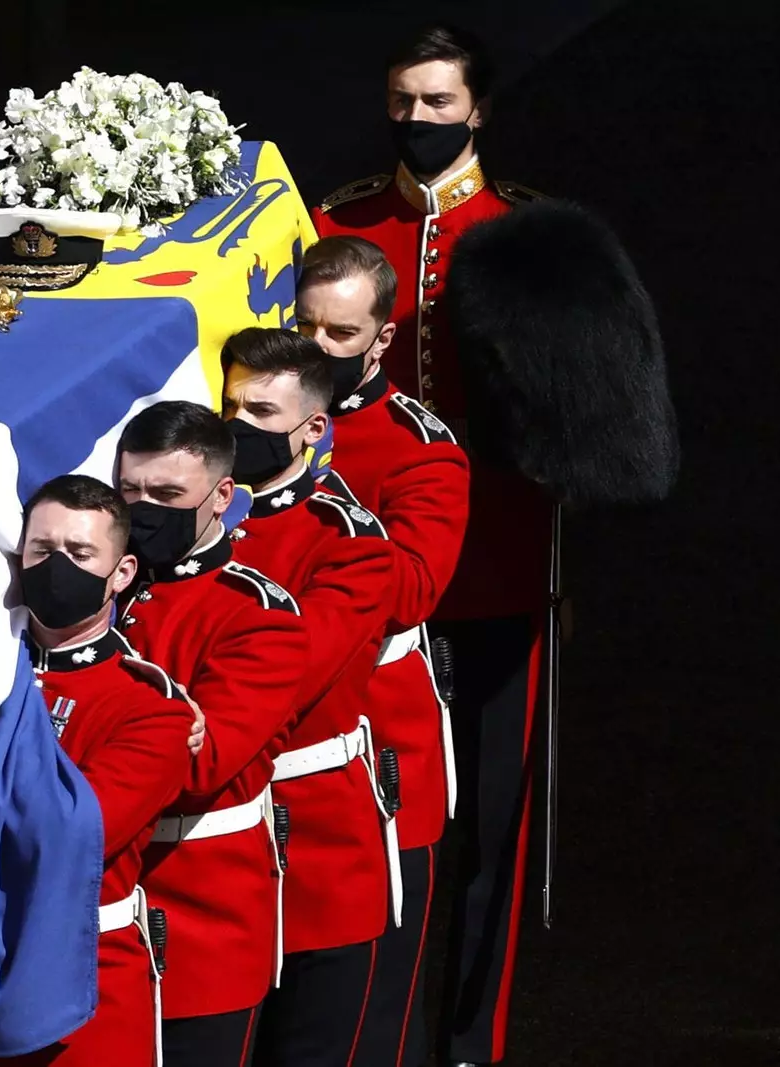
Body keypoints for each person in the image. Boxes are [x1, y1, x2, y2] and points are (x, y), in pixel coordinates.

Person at [312, 25, 552, 1065]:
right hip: (363, 565)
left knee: (489, 829)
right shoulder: (339, 220)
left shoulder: (527, 235)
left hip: (494, 562)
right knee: (372, 816)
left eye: (438, 103)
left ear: (478, 110)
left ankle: (468, 1038)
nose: (417, 122)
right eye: (403, 102)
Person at [0, 475, 197, 1067]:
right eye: (41, 551)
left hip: (80, 972)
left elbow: (62, 837)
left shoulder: (151, 708)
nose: (56, 566)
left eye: (81, 553)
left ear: (120, 574)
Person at [294, 236, 472, 1067]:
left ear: (381, 338)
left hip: (377, 753)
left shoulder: (421, 448)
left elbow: (409, 591)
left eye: (340, 335)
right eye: (306, 329)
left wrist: (305, 493)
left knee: (367, 1023)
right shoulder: (256, 418)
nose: (319, 349)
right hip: (281, 742)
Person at [214, 328, 400, 1067]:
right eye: (231, 408)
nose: (239, 427)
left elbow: (286, 675)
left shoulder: (348, 540)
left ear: (313, 428)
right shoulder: (202, 522)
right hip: (225, 850)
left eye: (262, 411)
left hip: (316, 830)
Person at [113, 401, 310, 1067]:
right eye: (129, 492)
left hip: (196, 909)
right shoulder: (100, 586)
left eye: (167, 495)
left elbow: (202, 765)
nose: (144, 511)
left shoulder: (259, 616)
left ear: (222, 496)